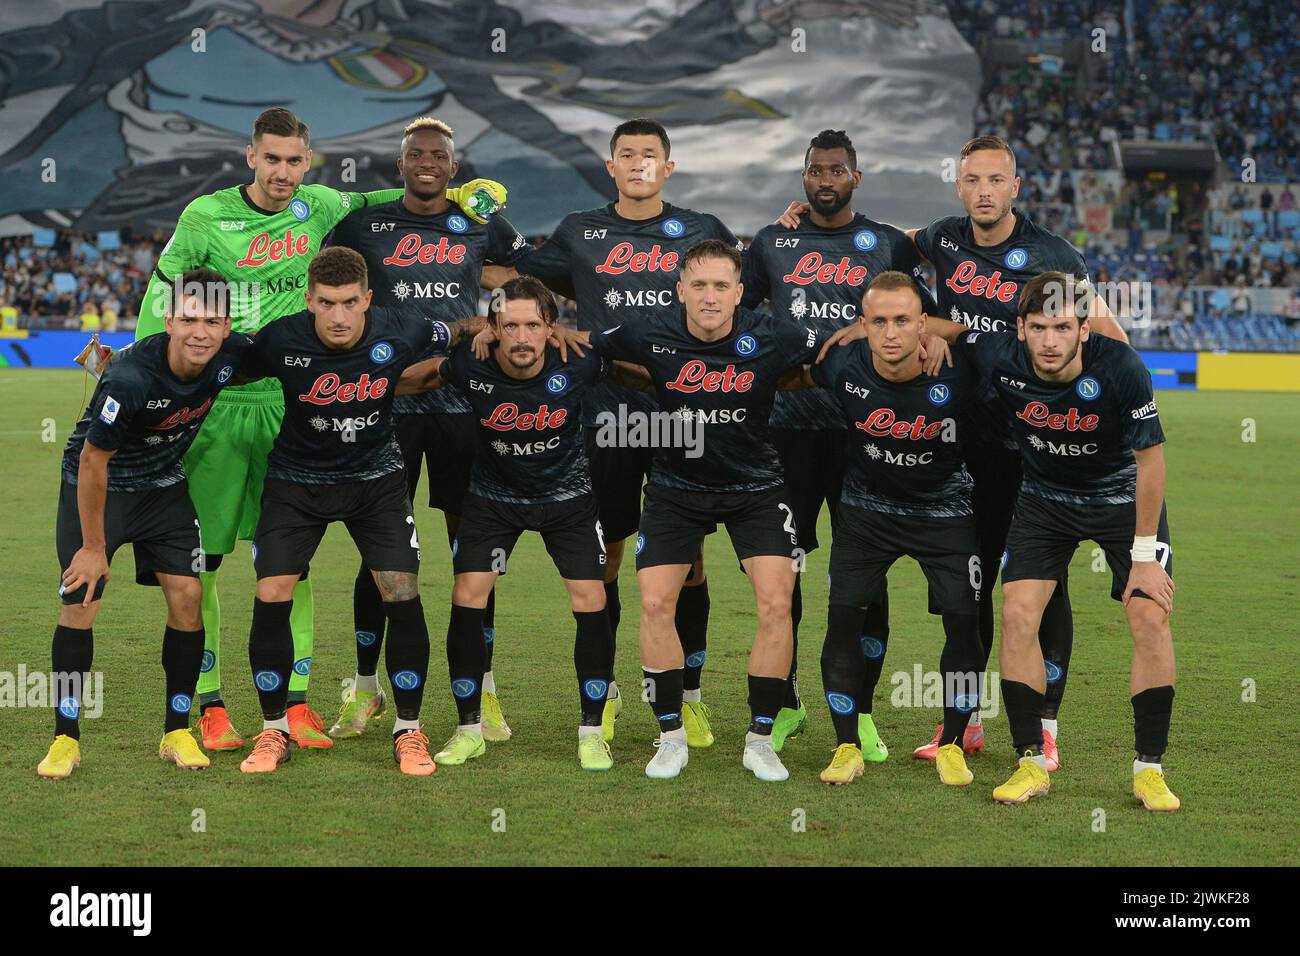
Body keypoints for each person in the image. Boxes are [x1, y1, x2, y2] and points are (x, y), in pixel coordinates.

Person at [135, 107, 503, 752]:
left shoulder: (324, 205)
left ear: (309, 162)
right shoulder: (203, 216)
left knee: (288, 562)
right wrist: (154, 380)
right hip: (221, 406)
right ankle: (212, 703)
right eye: (271, 158)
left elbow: (393, 194)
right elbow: (171, 297)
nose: (282, 172)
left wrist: (463, 194)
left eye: (294, 160)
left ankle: (296, 704)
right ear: (251, 156)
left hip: (291, 403)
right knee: (206, 560)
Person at [482, 118, 744, 749]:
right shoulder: (581, 231)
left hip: (686, 413)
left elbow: (747, 286)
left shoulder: (703, 230)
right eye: (627, 155)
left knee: (688, 561)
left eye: (650, 155)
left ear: (668, 167)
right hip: (608, 415)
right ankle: (609, 690)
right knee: (610, 553)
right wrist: (505, 315)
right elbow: (513, 278)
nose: (638, 164)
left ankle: (690, 695)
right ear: (611, 166)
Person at [233, 246, 486, 776]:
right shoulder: (281, 338)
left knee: (400, 590)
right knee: (271, 591)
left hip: (376, 484)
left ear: (368, 299)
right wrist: (125, 362)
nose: (339, 316)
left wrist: (492, 323)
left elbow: (453, 331)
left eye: (350, 302)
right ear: (309, 300)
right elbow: (209, 360)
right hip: (297, 484)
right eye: (326, 303)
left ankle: (408, 729)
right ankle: (273, 730)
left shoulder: (402, 328)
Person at [587, 239, 828, 782]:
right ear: (681, 292)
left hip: (758, 487)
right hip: (675, 488)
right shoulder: (648, 331)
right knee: (654, 604)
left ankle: (761, 739)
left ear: (740, 293)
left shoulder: (774, 333)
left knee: (776, 604)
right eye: (699, 285)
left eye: (722, 286)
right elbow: (587, 347)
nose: (711, 296)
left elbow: (837, 347)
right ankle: (670, 735)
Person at [326, 117, 532, 742]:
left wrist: (490, 295)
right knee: (379, 552)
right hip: (386, 404)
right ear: (400, 162)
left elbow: (531, 277)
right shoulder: (366, 225)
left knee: (475, 554)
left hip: (465, 406)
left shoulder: (480, 223)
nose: (425, 162)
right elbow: (324, 278)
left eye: (437, 155)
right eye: (415, 153)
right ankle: (366, 688)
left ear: (453, 164)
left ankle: (484, 691)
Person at [742, 129, 939, 755]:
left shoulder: (885, 244)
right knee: (785, 575)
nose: (825, 180)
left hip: (867, 434)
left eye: (836, 171)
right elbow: (739, 320)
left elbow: (925, 317)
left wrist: (926, 336)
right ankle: (789, 700)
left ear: (857, 177)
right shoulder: (772, 243)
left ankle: (864, 709)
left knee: (866, 577)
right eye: (815, 171)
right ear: (804, 178)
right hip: (785, 433)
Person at [957, 272, 1179, 811]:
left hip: (1121, 501)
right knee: (1016, 615)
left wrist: (1146, 557)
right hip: (1044, 502)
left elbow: (1151, 463)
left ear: (1084, 329)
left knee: (1149, 616)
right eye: (1038, 328)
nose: (1049, 340)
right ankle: (1031, 761)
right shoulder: (1000, 358)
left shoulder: (1122, 367)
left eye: (1062, 327)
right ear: (1020, 329)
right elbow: (945, 329)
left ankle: (1149, 770)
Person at [38, 270, 250, 779]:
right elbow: (93, 462)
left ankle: (177, 728)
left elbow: (294, 350)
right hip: (99, 487)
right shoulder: (130, 378)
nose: (201, 332)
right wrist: (93, 547)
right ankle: (65, 738)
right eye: (190, 319)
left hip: (164, 487)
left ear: (227, 327)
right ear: (170, 318)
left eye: (213, 321)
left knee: (188, 597)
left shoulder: (232, 355)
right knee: (81, 602)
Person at [424, 277, 640, 771]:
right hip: (492, 501)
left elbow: (642, 371)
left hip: (568, 501)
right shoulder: (470, 364)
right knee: (467, 595)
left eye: (533, 326)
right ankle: (468, 730)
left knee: (592, 599)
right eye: (510, 326)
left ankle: (591, 731)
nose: (522, 337)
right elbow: (416, 378)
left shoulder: (580, 362)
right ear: (493, 328)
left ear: (551, 328)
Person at [803, 273, 982, 787]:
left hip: (945, 512)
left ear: (923, 323)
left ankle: (951, 742)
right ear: (862, 326)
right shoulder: (840, 363)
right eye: (877, 321)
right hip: (865, 514)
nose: (890, 333)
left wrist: (946, 335)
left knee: (963, 624)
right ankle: (845, 745)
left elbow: (1001, 339)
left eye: (903, 320)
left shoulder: (960, 365)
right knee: (842, 622)